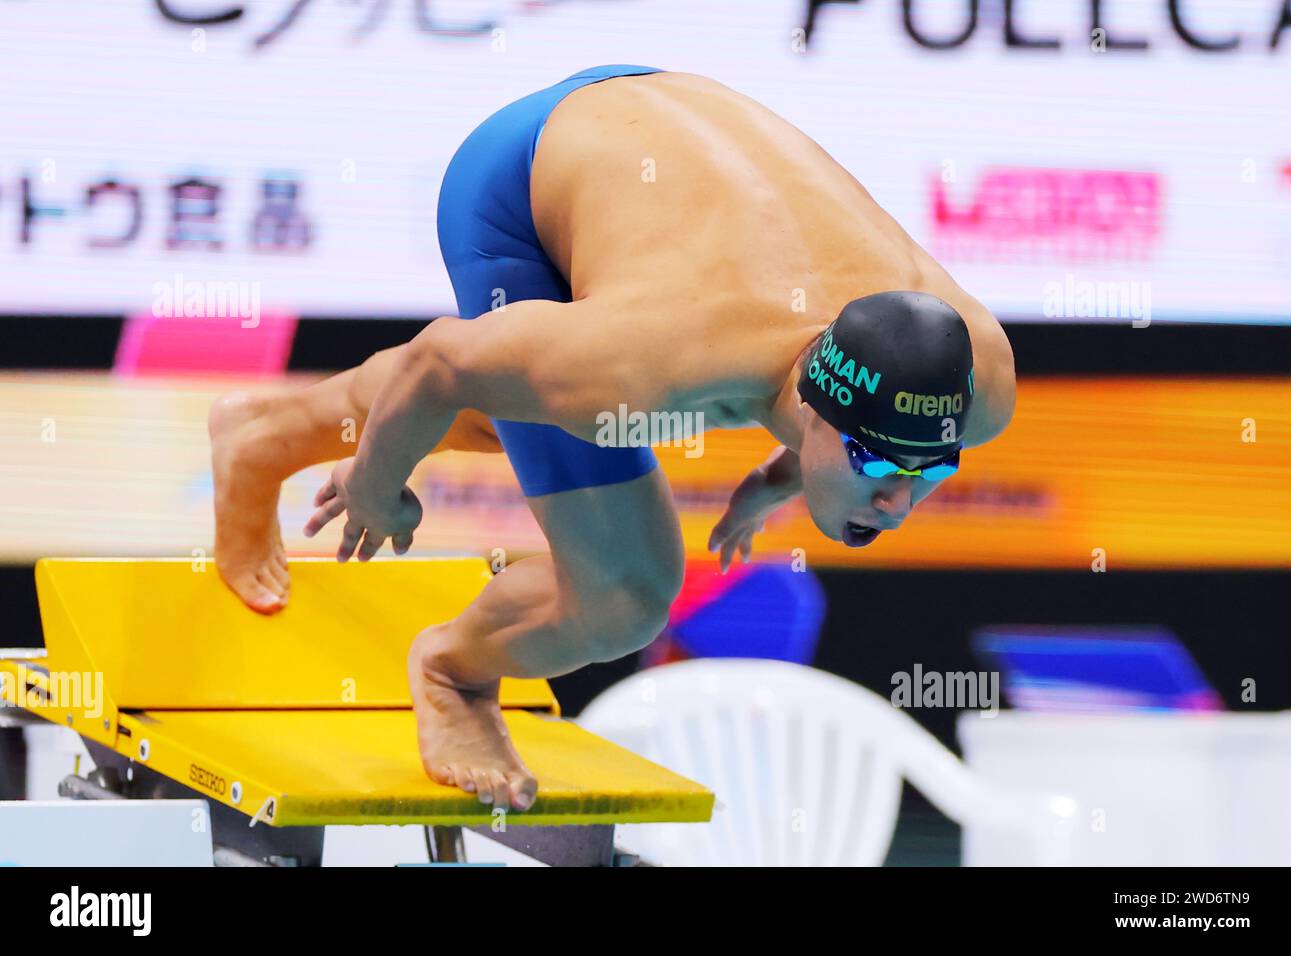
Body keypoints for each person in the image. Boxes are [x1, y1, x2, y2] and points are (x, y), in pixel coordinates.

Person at [209, 66, 1016, 812]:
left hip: (662, 134)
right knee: (624, 594)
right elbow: (440, 360)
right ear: (810, 415)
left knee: (528, 402)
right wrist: (378, 487)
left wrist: (787, 477)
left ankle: (258, 432)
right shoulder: (641, 366)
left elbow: (888, 430)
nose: (900, 500)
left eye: (928, 467)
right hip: (519, 182)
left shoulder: (975, 382)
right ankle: (450, 670)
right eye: (875, 462)